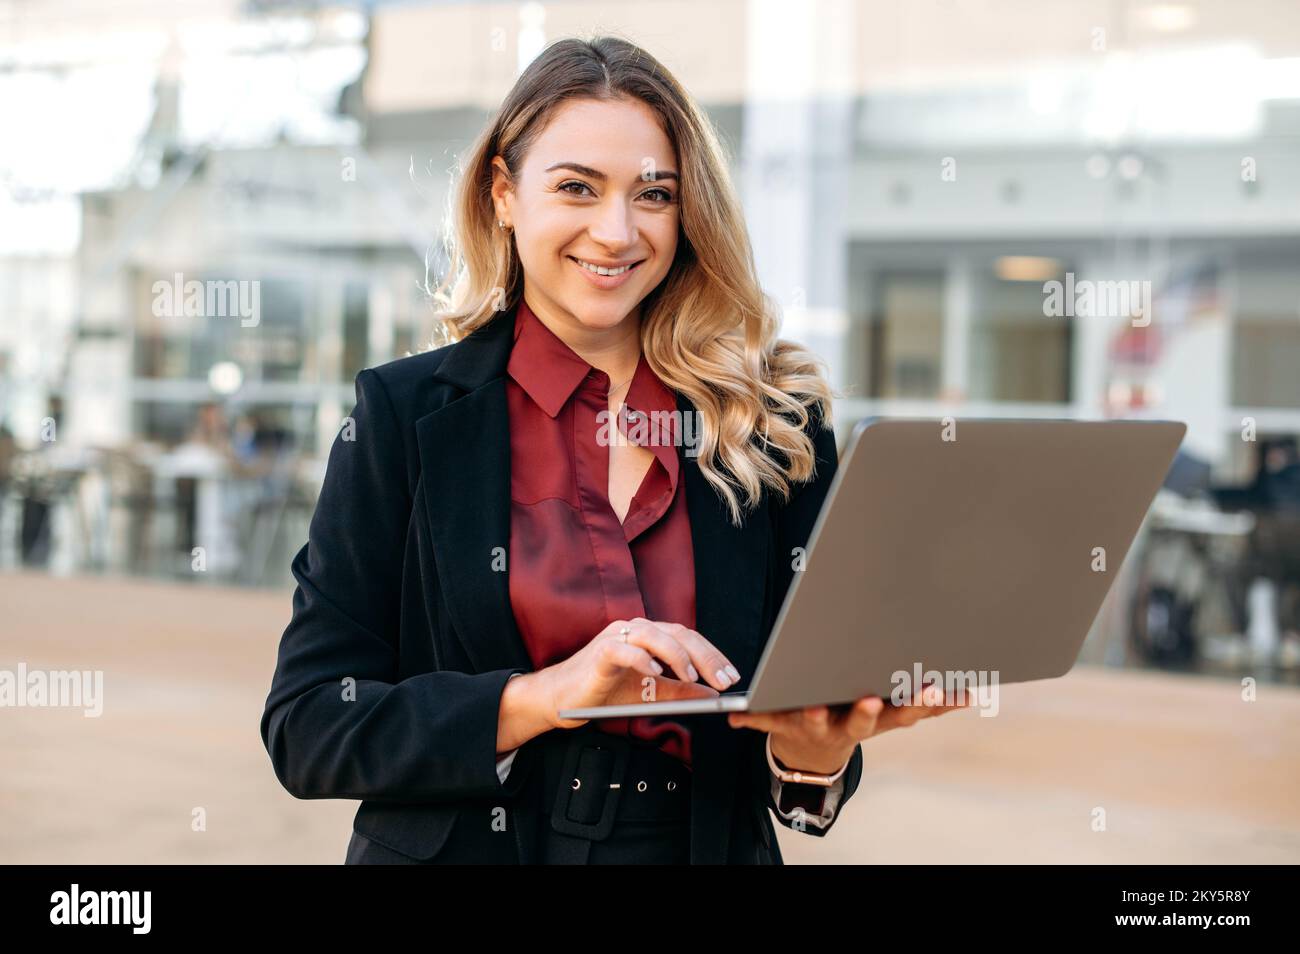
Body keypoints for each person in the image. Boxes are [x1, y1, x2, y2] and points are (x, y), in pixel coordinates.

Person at [260, 35, 967, 865]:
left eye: (654, 195)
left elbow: (799, 744)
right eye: (576, 188)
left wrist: (815, 751)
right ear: (502, 194)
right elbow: (308, 723)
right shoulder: (402, 416)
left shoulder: (772, 419)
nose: (616, 231)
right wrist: (545, 696)